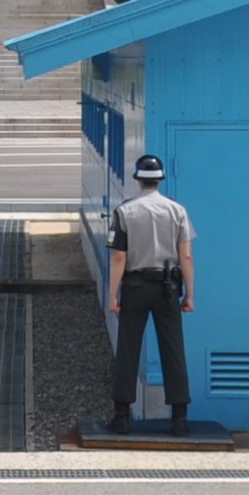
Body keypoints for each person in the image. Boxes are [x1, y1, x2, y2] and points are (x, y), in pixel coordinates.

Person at [106, 151, 195, 433]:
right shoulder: (177, 210)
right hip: (168, 287)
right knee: (173, 349)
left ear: (138, 179)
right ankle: (179, 417)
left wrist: (113, 294)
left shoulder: (124, 211)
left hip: (134, 286)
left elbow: (119, 257)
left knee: (129, 349)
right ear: (160, 179)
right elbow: (187, 258)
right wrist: (189, 294)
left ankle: (122, 416)